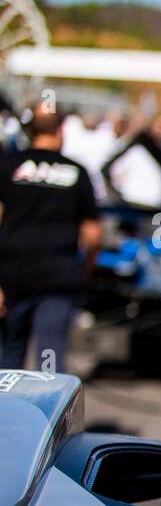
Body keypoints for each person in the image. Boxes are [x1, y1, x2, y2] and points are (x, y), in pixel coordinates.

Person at [0, 106, 101, 372]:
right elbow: (93, 236)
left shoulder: (8, 165)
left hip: (12, 274)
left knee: (9, 357)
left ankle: (6, 413)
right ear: (60, 130)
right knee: (50, 361)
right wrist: (85, 271)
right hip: (58, 276)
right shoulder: (77, 172)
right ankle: (48, 413)